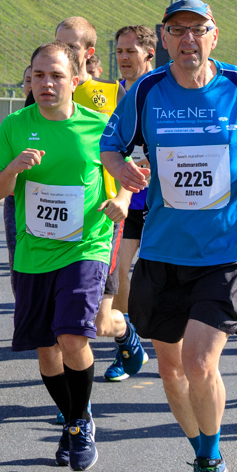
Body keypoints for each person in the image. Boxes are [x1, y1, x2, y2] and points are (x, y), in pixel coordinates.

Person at [101, 0, 237, 472]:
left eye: (196, 30)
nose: (187, 41)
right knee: (170, 369)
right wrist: (123, 172)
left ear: (213, 36)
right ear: (163, 38)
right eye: (177, 31)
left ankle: (214, 462)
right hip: (162, 248)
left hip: (226, 248)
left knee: (201, 362)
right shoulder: (146, 92)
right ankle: (203, 459)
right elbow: (112, 146)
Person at [0, 42, 128, 469]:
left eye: (56, 76)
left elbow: (127, 175)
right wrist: (14, 169)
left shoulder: (101, 125)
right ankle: (71, 418)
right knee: (46, 348)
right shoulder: (14, 125)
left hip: (87, 243)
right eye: (38, 76)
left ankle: (81, 421)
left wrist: (121, 198)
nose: (46, 84)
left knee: (72, 335)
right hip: (34, 250)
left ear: (75, 79)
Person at [99, 25, 155, 380]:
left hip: (165, 200)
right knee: (118, 270)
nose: (123, 58)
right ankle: (129, 343)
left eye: (130, 51)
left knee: (162, 274)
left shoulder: (163, 91)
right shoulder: (106, 94)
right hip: (125, 199)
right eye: (119, 51)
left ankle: (174, 342)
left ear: (149, 54)